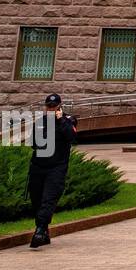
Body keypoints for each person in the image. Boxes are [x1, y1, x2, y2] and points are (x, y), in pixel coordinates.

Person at [28, 93, 79, 249]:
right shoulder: (39, 122)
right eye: (48, 106)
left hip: (56, 168)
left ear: (59, 106)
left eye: (54, 107)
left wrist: (60, 119)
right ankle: (44, 232)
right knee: (36, 200)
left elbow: (71, 137)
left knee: (48, 199)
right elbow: (33, 143)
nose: (50, 109)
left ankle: (40, 230)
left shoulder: (69, 120)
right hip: (38, 166)